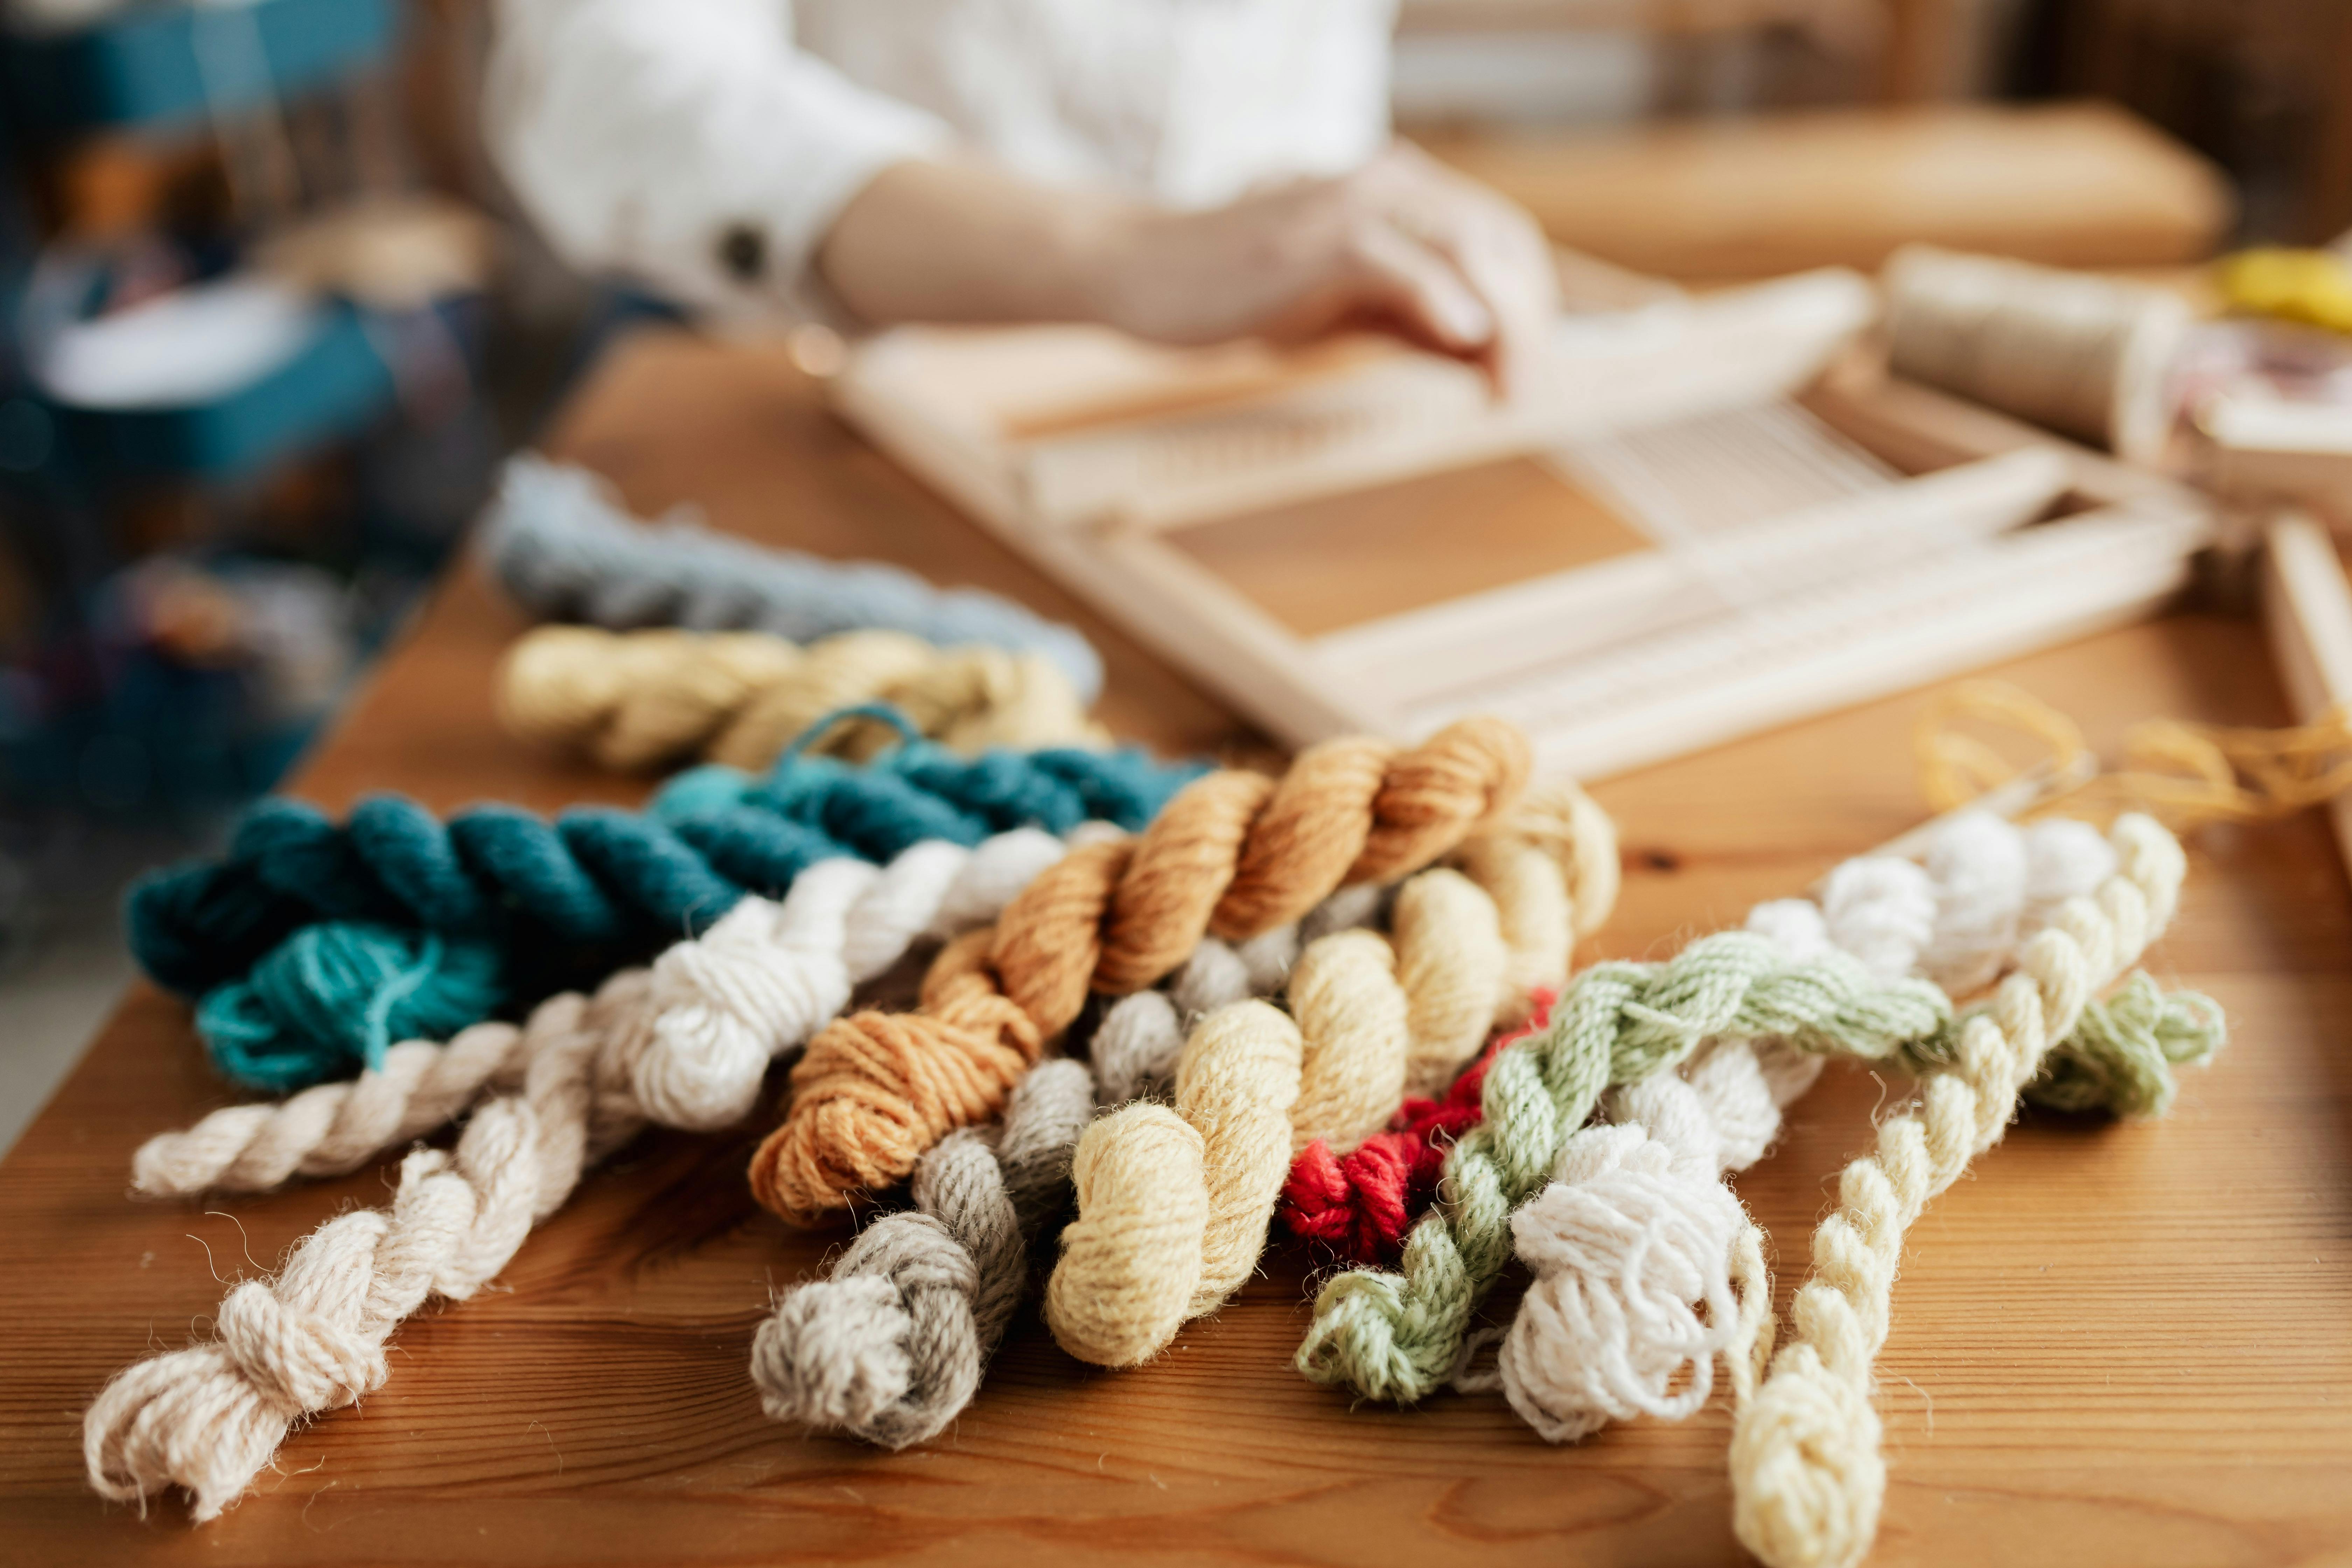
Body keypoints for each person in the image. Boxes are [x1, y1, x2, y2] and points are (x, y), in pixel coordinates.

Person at [483, 0, 1559, 391]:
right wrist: (1126, 249)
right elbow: (612, 78)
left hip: (1291, 387)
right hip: (833, 400)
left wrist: (1356, 218)